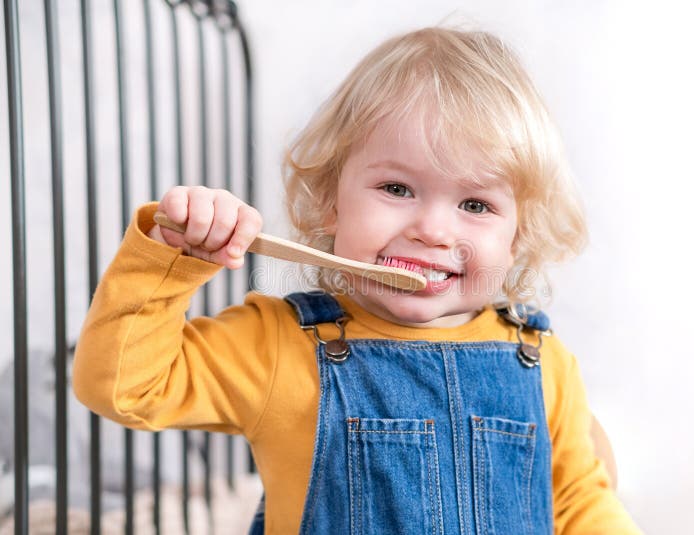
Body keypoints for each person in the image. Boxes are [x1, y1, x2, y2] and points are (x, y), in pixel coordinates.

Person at [73, 26, 640, 534]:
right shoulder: (279, 347)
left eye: (475, 203)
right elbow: (124, 387)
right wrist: (172, 260)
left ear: (517, 236)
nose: (434, 230)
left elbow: (576, 500)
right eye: (397, 189)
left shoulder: (544, 363)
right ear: (329, 203)